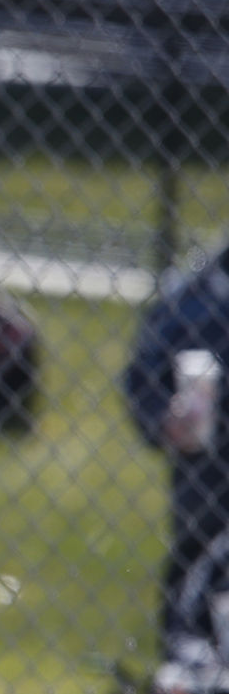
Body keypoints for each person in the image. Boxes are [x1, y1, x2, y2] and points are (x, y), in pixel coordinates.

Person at [121, 242, 229, 659]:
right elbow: (145, 377)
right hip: (209, 492)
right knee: (196, 630)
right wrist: (165, 418)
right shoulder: (197, 294)